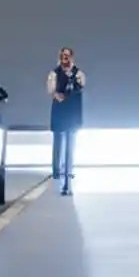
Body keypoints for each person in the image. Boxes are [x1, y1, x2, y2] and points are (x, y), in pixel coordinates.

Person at [48, 47, 85, 195]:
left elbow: (81, 85)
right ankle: (57, 170)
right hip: (60, 109)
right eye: (63, 56)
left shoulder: (78, 73)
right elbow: (51, 89)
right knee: (58, 139)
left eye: (68, 56)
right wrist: (57, 95)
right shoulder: (54, 73)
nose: (65, 58)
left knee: (71, 140)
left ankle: (68, 169)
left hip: (73, 110)